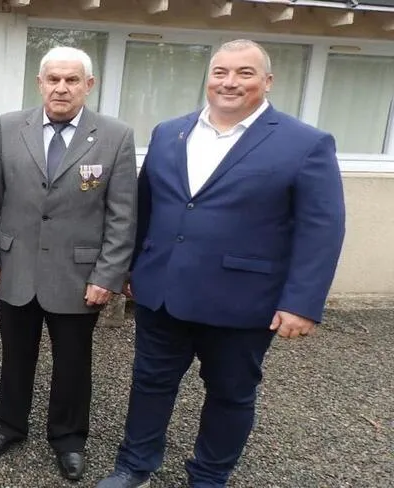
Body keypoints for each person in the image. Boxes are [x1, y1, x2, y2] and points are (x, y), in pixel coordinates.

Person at [95, 40, 346, 488]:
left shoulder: (305, 143)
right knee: (150, 384)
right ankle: (135, 466)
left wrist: (302, 303)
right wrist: (132, 267)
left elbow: (321, 230)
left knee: (230, 394)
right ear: (208, 78)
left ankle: (209, 476)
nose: (230, 82)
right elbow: (147, 206)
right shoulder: (169, 132)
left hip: (243, 301)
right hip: (162, 293)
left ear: (267, 82)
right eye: (220, 72)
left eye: (245, 73)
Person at [0, 46, 137, 481]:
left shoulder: (115, 136)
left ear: (89, 85)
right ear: (40, 82)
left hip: (80, 275)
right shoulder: (9, 127)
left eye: (72, 80)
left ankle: (68, 439)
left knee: (73, 362)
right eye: (54, 79)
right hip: (15, 267)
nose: (62, 88)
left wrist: (108, 274)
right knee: (16, 355)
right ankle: (9, 426)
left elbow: (122, 215)